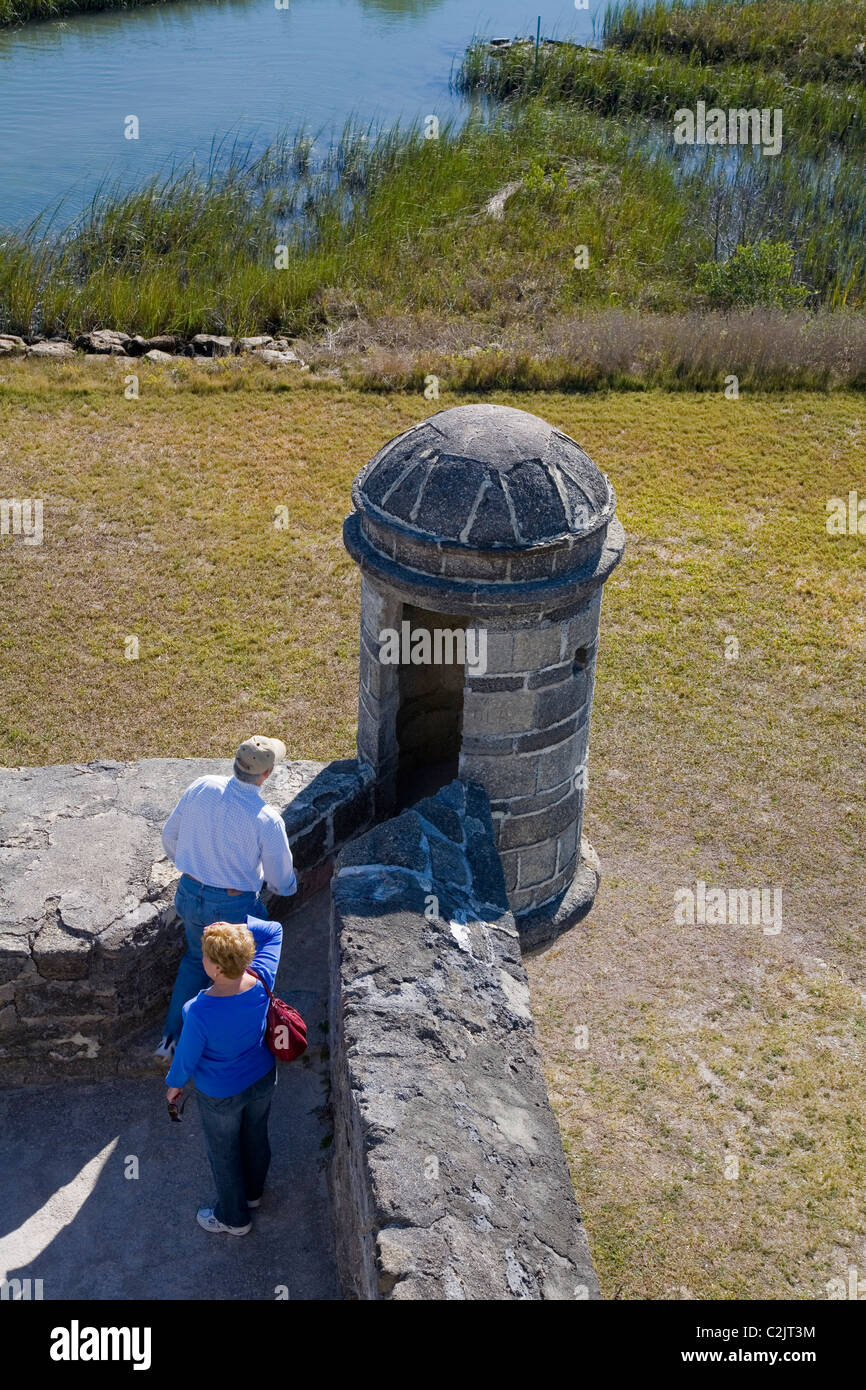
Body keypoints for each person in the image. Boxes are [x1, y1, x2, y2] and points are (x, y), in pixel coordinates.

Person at [156, 735, 297, 1058]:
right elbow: (279, 877)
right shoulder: (266, 819)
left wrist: (192, 869)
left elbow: (170, 835)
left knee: (194, 960)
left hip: (190, 894)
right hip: (235, 904)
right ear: (267, 774)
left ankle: (171, 1040)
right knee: (244, 968)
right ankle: (236, 1042)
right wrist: (287, 889)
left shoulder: (202, 786)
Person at [165, 917, 282, 1234]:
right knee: (256, 1136)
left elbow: (187, 1059)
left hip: (220, 1094)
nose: (201, 958)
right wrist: (235, 930)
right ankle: (254, 1195)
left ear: (215, 968)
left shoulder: (198, 1010)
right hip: (262, 1078)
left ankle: (234, 1218)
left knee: (224, 1152)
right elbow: (274, 930)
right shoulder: (263, 977)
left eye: (205, 955)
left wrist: (174, 1086)